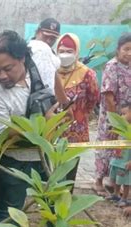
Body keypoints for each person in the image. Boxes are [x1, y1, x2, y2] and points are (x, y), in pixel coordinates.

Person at [0, 30, 67, 227]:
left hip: (46, 153)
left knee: (55, 202)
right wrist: (41, 124)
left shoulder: (40, 52)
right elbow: (1, 140)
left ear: (23, 58)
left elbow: (54, 75)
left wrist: (64, 103)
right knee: (10, 209)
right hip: (14, 158)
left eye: (7, 68)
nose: (1, 76)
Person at [56, 33, 100, 184]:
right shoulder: (52, 69)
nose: (65, 55)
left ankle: (66, 198)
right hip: (52, 127)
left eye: (69, 51)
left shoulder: (87, 74)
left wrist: (81, 113)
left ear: (77, 53)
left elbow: (93, 97)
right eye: (61, 51)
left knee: (70, 166)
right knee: (51, 164)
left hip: (76, 128)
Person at [95, 33, 131, 196]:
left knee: (121, 150)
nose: (129, 53)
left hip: (128, 116)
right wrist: (116, 119)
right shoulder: (112, 66)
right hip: (111, 115)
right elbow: (108, 96)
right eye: (126, 49)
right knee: (106, 147)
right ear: (118, 50)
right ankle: (98, 181)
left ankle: (114, 181)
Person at [28, 18, 68, 105]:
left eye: (53, 38)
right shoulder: (36, 49)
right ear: (38, 32)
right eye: (46, 36)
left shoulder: (50, 53)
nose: (48, 41)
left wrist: (65, 103)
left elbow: (54, 78)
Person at [107, 107, 131, 207]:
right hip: (117, 158)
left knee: (126, 181)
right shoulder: (121, 124)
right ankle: (116, 195)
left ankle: (124, 198)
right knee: (116, 178)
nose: (125, 116)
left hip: (126, 161)